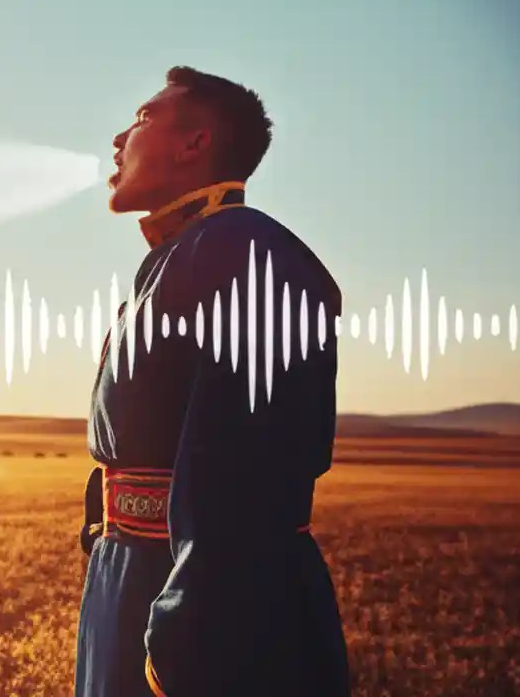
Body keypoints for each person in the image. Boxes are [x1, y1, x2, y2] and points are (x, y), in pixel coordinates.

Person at [74, 66, 350, 696]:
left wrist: (188, 637)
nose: (120, 139)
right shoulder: (186, 254)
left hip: (210, 610)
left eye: (143, 118)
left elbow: (249, 472)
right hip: (136, 581)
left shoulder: (246, 252)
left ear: (194, 144)